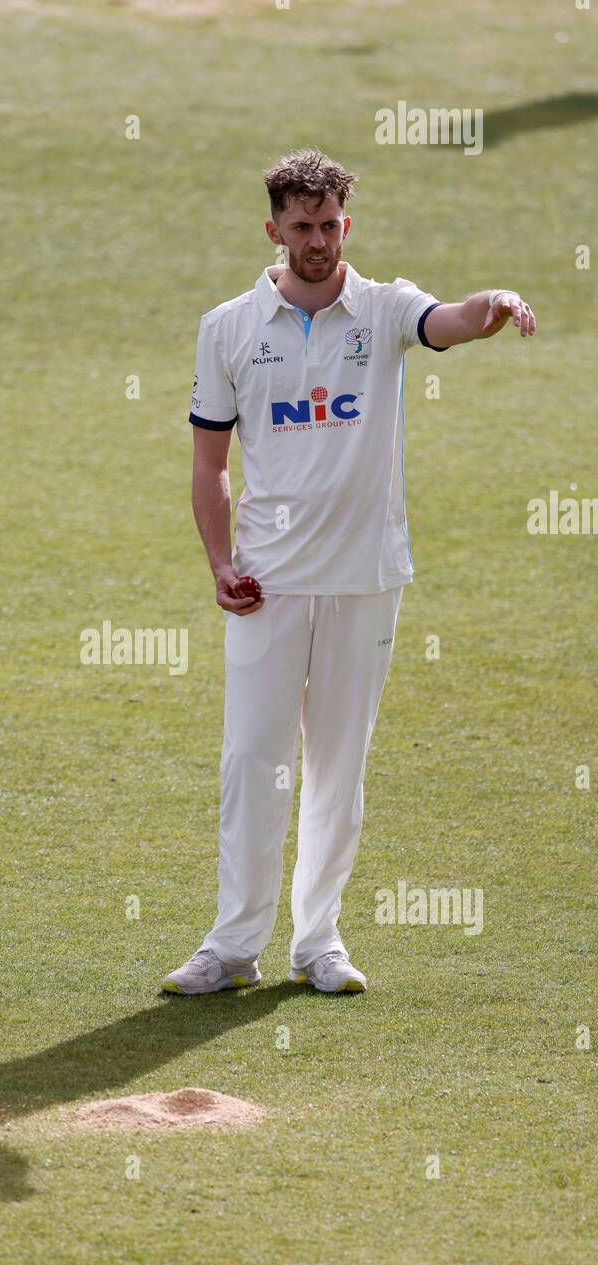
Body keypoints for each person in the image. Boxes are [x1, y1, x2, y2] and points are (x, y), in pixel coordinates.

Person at [163, 148, 536, 997]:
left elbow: (448, 320)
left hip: (365, 578)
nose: (319, 241)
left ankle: (319, 942)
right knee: (253, 760)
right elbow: (210, 463)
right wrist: (220, 562)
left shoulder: (383, 307)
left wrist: (493, 306)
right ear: (273, 230)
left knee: (338, 766)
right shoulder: (228, 327)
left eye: (331, 226)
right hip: (269, 581)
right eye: (302, 227)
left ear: (346, 225)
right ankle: (231, 947)